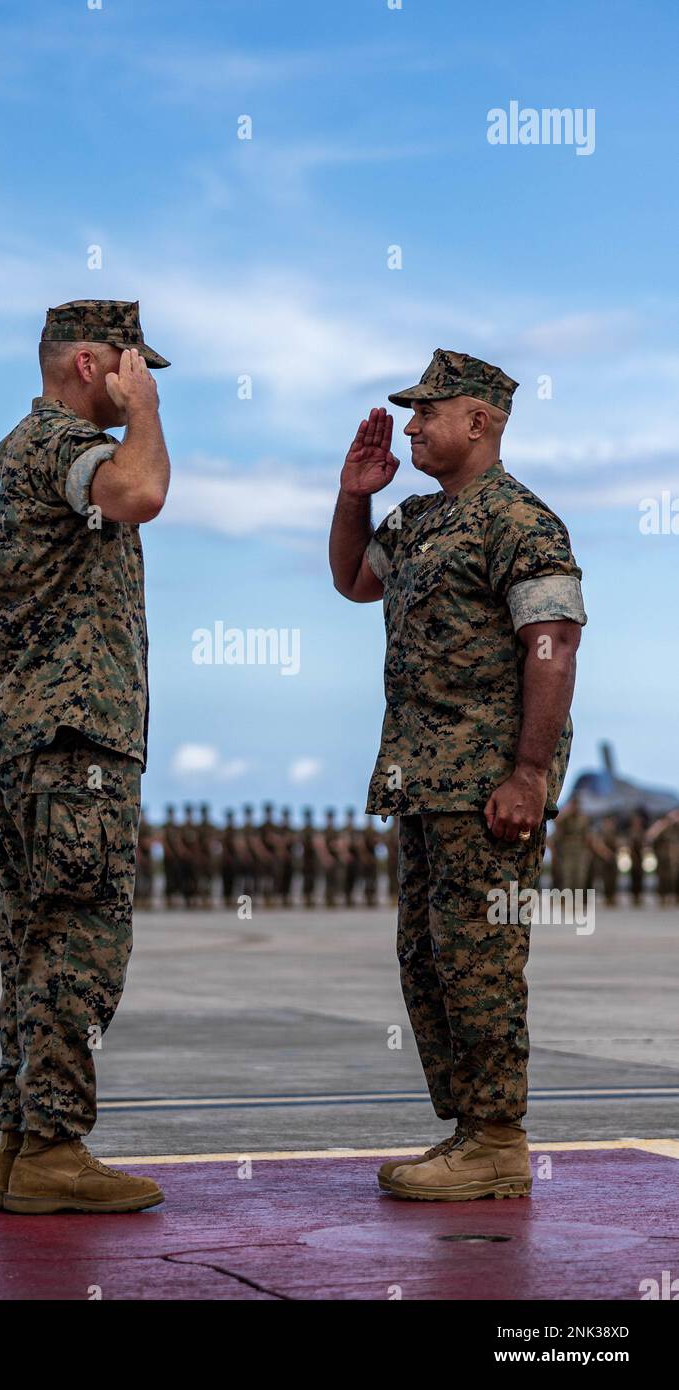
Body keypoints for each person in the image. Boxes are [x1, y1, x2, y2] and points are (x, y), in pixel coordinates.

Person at [329, 348, 586, 1201]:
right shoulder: (415, 522)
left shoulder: (521, 521)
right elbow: (353, 582)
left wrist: (529, 772)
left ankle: (498, 1141)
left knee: (479, 957)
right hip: (423, 783)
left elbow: (552, 645)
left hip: (485, 788)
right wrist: (353, 498)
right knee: (427, 957)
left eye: (425, 414)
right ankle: (468, 1131)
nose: (410, 427)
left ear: (478, 421)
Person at [0, 298, 170, 1215]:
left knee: (37, 943)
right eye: (134, 367)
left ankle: (20, 1143)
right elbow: (141, 495)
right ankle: (53, 1148)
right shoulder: (56, 445)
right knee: (80, 945)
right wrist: (149, 419)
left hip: (32, 743)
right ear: (89, 364)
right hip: (72, 739)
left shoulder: (23, 451)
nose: (144, 384)